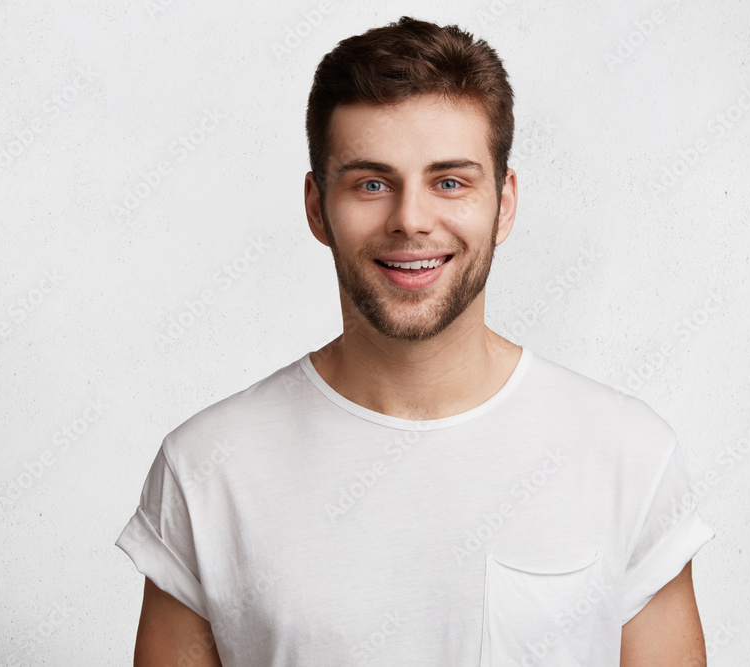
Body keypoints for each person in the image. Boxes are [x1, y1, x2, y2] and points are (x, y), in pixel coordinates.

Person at [116, 15, 714, 666]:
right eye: (371, 183)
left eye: (449, 181)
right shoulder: (209, 468)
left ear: (504, 203)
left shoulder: (627, 453)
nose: (410, 219)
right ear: (317, 207)